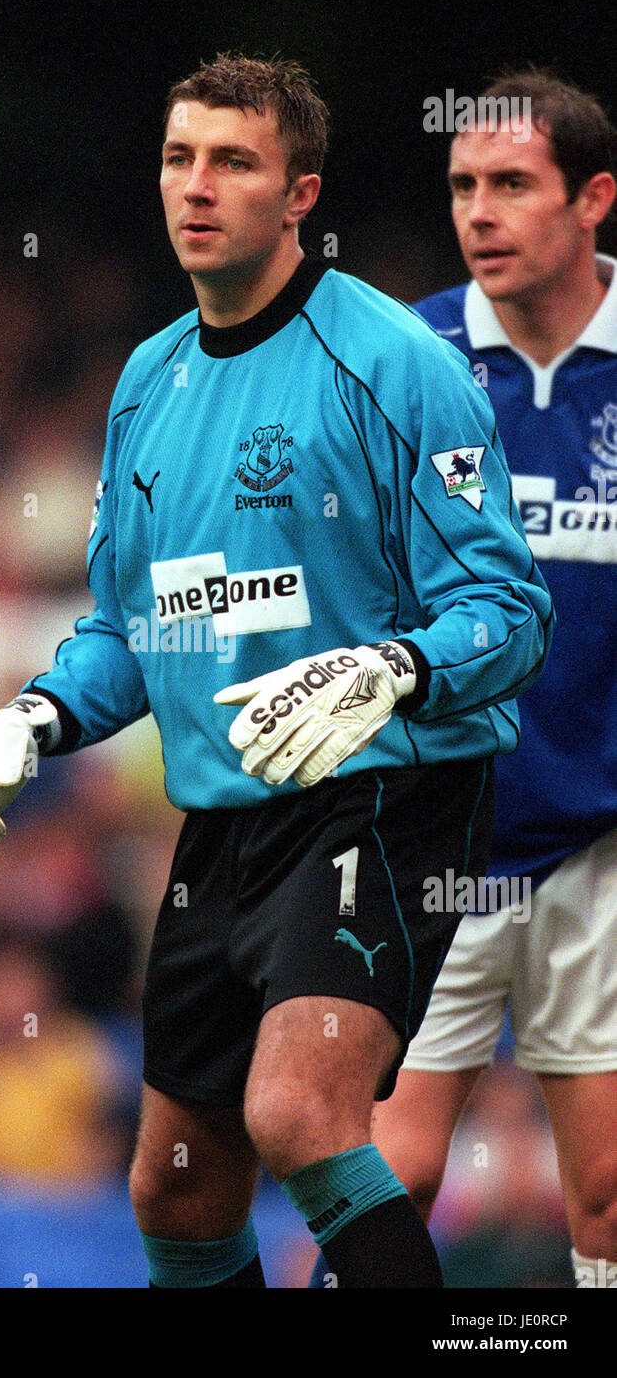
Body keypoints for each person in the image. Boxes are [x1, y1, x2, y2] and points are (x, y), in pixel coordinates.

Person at [0, 53, 552, 1289]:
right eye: (178, 157)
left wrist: (387, 669)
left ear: (298, 194)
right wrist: (38, 717)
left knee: (296, 1112)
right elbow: (131, 627)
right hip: (222, 825)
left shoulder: (389, 362)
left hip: (382, 797)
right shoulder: (147, 382)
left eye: (233, 161)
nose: (197, 186)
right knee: (172, 1188)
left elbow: (508, 610)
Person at [319, 70, 616, 1291]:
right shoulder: (402, 362)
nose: (478, 212)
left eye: (510, 185)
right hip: (430, 826)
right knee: (390, 1171)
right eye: (460, 187)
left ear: (592, 198)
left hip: (598, 843)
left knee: (603, 1184)